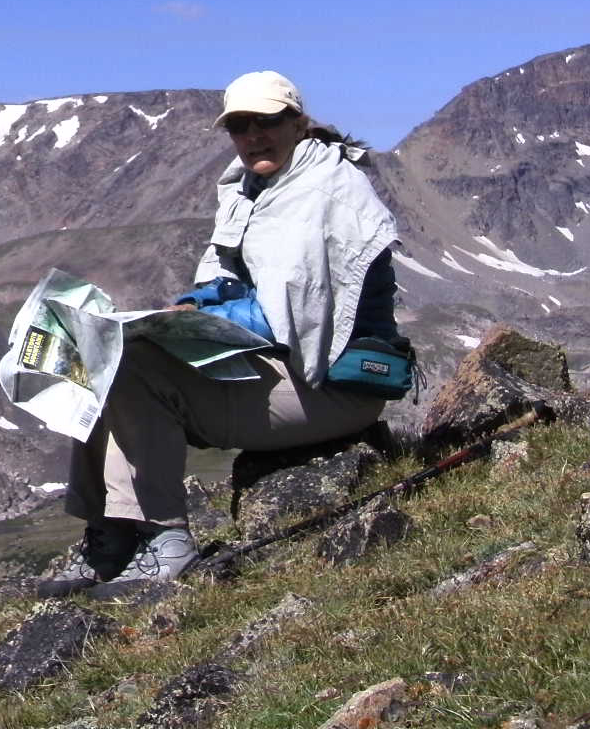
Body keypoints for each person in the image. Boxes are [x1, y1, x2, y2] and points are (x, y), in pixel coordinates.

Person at [46, 70, 404, 597]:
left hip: (337, 386)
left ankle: (164, 540)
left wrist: (187, 326)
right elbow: (239, 277)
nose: (254, 136)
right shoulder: (260, 188)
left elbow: (289, 315)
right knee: (103, 358)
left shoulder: (322, 194)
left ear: (298, 122)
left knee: (132, 368)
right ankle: (110, 536)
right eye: (240, 126)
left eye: (267, 122)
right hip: (293, 368)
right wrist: (195, 304)